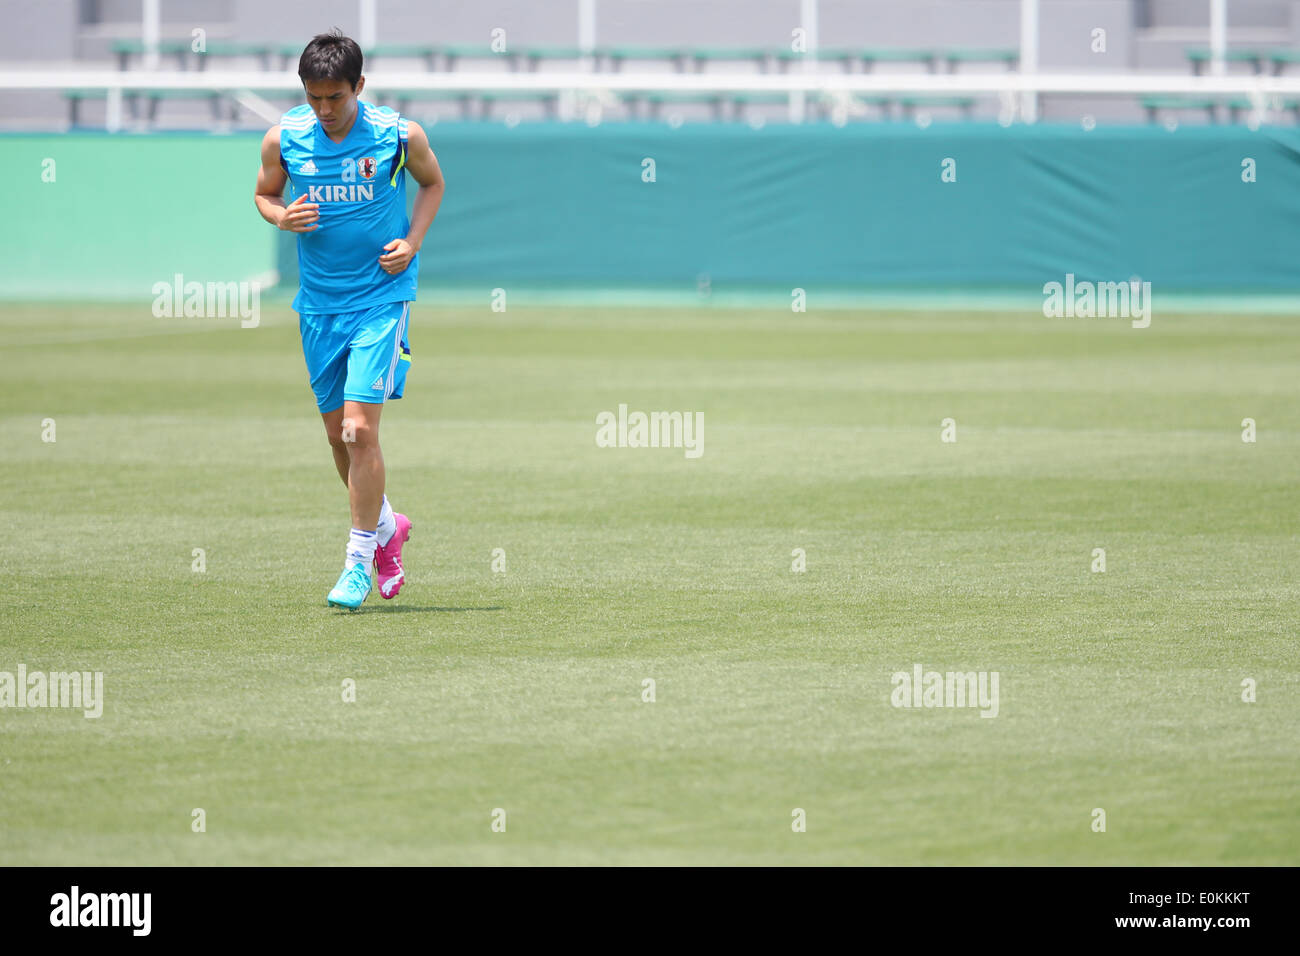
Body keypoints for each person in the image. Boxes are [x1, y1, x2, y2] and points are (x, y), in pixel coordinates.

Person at [253, 29, 445, 609]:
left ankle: (358, 561)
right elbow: (264, 195)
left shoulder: (397, 136)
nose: (324, 110)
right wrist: (281, 216)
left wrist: (411, 244)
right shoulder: (284, 138)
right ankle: (388, 528)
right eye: (314, 97)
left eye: (335, 97)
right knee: (339, 438)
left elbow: (433, 185)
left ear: (359, 86)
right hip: (318, 307)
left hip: (381, 299)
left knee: (360, 430)